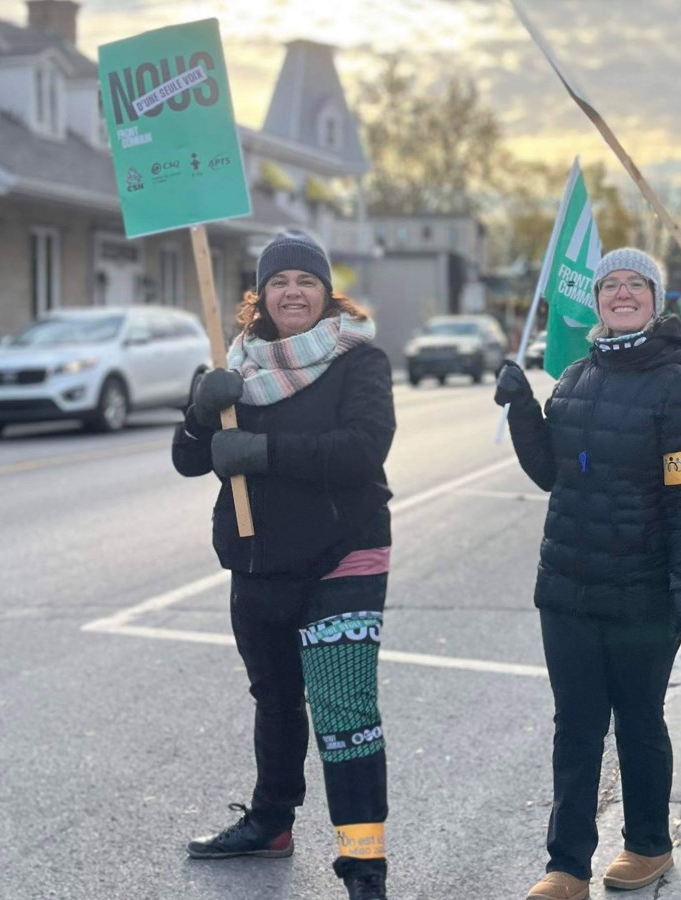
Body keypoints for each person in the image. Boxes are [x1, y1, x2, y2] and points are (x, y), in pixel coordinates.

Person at [171, 234, 396, 900]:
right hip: (259, 558)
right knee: (274, 698)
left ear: (327, 293)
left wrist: (261, 452)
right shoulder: (230, 366)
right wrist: (199, 413)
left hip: (342, 554)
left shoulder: (359, 359)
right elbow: (189, 459)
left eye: (306, 280)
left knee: (343, 708)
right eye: (279, 282)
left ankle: (364, 866)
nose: (292, 292)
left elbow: (363, 447)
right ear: (259, 296)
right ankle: (271, 821)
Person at [494, 248, 681, 900]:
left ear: (655, 298)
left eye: (635, 285)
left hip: (643, 592)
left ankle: (648, 845)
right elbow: (551, 475)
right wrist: (520, 410)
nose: (621, 293)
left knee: (640, 721)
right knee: (576, 726)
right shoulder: (573, 375)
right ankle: (567, 867)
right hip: (565, 585)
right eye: (610, 285)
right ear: (596, 300)